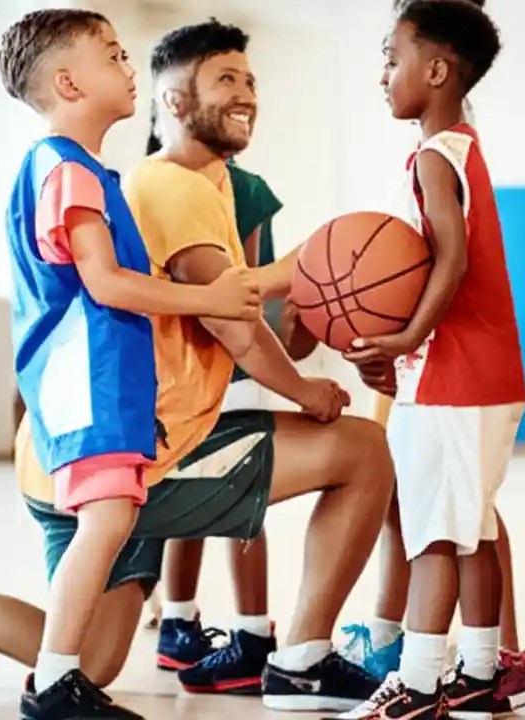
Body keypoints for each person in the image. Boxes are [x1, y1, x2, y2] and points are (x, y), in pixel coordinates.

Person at [0, 14, 392, 719]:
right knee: (363, 450)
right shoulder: (104, 175)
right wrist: (293, 371)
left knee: (95, 651)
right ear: (70, 81)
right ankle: (294, 664)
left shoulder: (113, 176)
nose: (126, 63)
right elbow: (158, 300)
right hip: (120, 435)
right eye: (112, 54)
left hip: (77, 443)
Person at [338, 6, 525, 709]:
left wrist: (402, 342)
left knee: (430, 534)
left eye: (391, 57)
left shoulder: (436, 155)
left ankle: (419, 682)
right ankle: (484, 670)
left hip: (452, 376)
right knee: (473, 530)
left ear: (435, 70)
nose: (383, 75)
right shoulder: (461, 145)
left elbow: (450, 261)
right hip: (484, 374)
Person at [150, 152, 321, 697]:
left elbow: (243, 289)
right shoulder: (238, 187)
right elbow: (245, 294)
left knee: (197, 495)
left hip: (190, 364)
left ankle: (178, 623)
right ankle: (250, 631)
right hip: (224, 358)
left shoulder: (171, 184)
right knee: (244, 501)